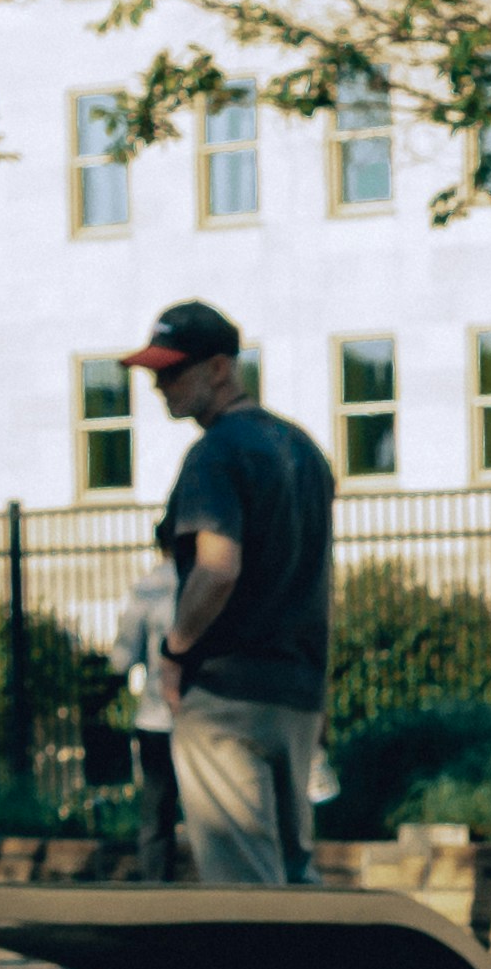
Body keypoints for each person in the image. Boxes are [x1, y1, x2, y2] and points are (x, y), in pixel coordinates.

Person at [137, 300, 334, 886]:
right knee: (295, 874)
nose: (159, 386)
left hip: (225, 693)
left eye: (173, 371)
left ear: (220, 368)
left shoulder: (215, 453)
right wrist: (320, 692)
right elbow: (320, 582)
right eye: (155, 374)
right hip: (294, 694)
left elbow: (217, 568)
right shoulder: (304, 451)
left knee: (244, 883)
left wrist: (174, 653)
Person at [105, 536, 182, 876]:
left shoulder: (149, 589)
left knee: (156, 811)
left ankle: (157, 890)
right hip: (205, 716)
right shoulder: (218, 581)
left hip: (157, 716)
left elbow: (123, 656)